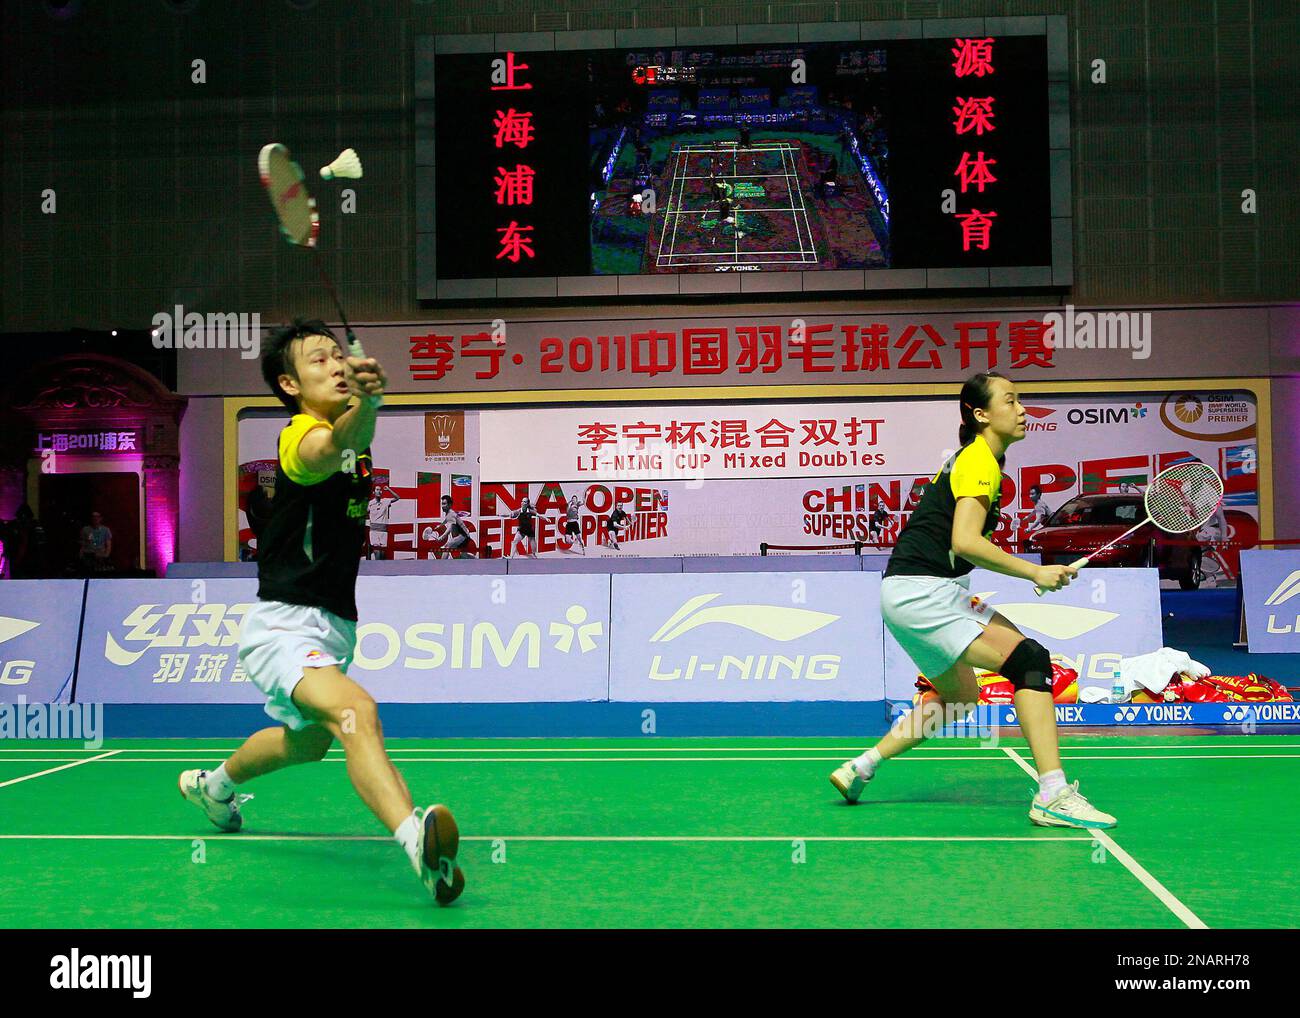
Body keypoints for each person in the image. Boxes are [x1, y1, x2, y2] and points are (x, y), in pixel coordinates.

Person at [177, 319, 464, 905]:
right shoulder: (299, 438)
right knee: (357, 710)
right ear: (289, 383)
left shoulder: (350, 436)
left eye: (339, 355)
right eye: (318, 361)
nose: (335, 365)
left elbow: (353, 438)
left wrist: (369, 402)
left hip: (331, 626)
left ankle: (214, 787)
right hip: (283, 625)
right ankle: (415, 841)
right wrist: (372, 398)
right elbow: (325, 448)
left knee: (305, 743)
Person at [830, 372, 1116, 830]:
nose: (1022, 409)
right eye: (1011, 400)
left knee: (960, 695)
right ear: (980, 414)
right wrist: (1034, 570)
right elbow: (965, 541)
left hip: (912, 590)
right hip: (924, 590)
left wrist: (1031, 573)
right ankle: (1053, 793)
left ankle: (862, 766)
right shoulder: (980, 460)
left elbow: (959, 545)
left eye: (1020, 400)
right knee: (1031, 661)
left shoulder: (978, 460)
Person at [433, 494, 470, 559]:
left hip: (463, 536)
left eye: (444, 504)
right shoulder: (449, 513)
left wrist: (441, 537)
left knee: (447, 546)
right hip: (465, 535)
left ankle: (442, 565)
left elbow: (450, 527)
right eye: (442, 504)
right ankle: (477, 561)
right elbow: (446, 520)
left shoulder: (451, 514)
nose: (442, 506)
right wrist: (440, 525)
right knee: (464, 556)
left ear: (449, 505)